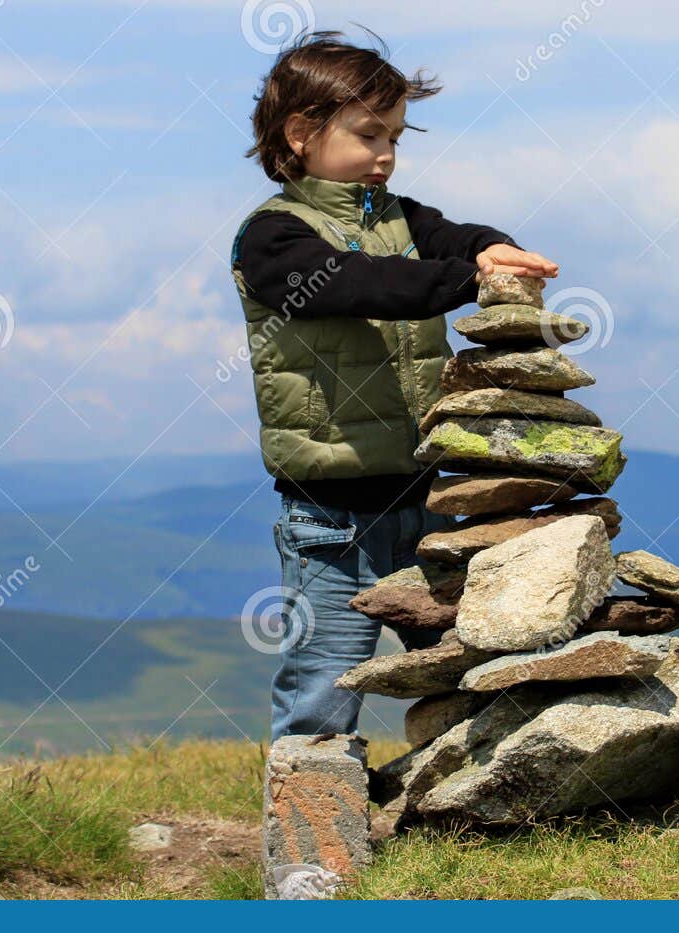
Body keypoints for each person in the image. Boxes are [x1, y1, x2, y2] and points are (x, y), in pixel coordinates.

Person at [229, 28, 559, 741]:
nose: (386, 154)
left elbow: (458, 236)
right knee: (323, 681)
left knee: (457, 667)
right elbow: (361, 284)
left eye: (397, 139)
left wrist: (488, 248)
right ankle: (308, 847)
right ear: (301, 133)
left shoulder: (405, 219)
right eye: (370, 134)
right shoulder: (274, 239)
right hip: (331, 517)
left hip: (428, 498)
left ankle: (460, 816)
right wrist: (464, 276)